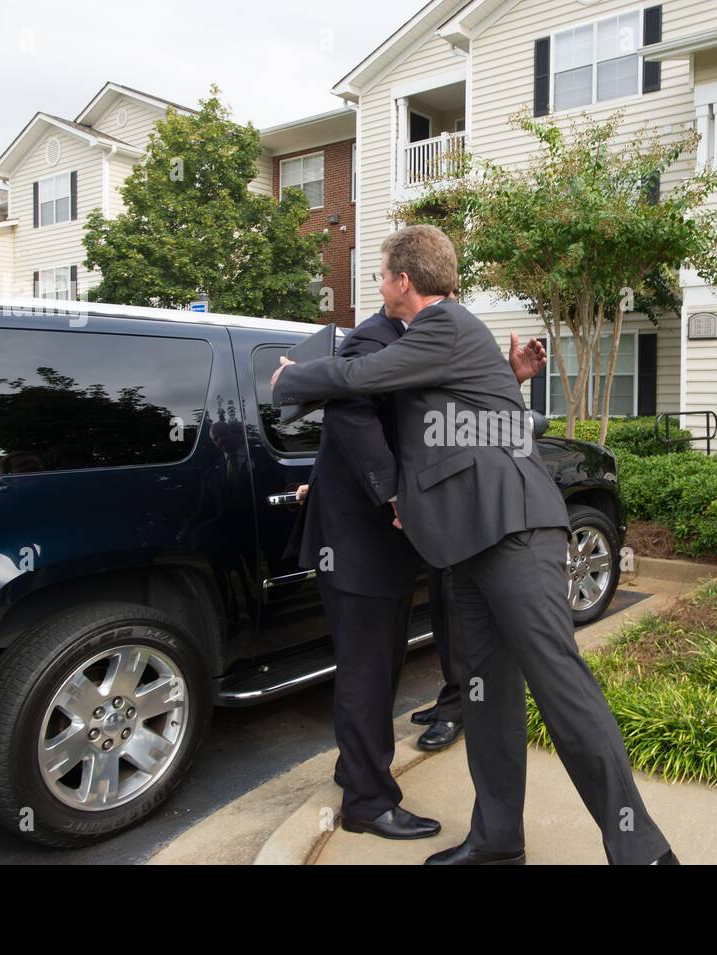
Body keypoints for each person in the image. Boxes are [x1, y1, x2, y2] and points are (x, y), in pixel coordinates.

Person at [273, 224, 676, 865]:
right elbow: (481, 420)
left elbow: (361, 375)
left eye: (380, 275)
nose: (378, 286)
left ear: (405, 281)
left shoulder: (444, 324)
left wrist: (290, 380)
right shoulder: (449, 342)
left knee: (558, 684)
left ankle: (641, 849)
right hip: (462, 547)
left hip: (513, 531)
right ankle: (496, 841)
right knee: (486, 696)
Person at [288, 305, 548, 839]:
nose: (451, 302)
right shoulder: (371, 339)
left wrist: (509, 378)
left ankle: (355, 768)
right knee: (367, 671)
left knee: (381, 665)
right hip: (360, 539)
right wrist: (392, 493)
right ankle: (367, 802)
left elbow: (451, 415)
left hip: (388, 541)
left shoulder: (421, 340)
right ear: (408, 283)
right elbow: (351, 418)